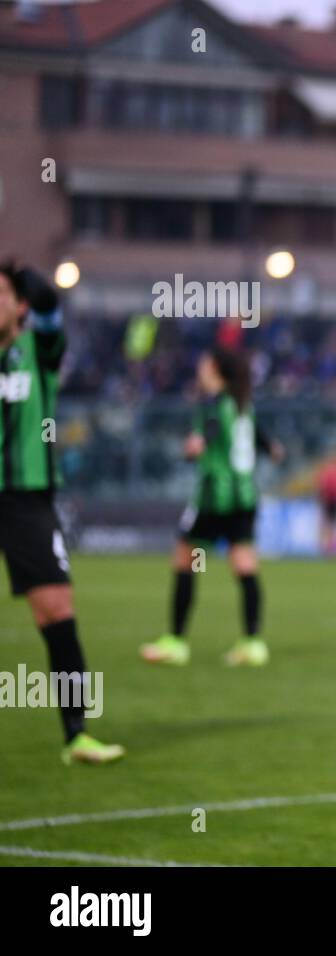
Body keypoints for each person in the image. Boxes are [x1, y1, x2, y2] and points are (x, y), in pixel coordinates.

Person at [0, 260, 124, 764]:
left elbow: (51, 307)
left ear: (19, 305)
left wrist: (24, 273)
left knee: (58, 614)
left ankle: (77, 734)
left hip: (26, 499)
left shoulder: (39, 350)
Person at [141, 348, 282, 667]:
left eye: (204, 363)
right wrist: (271, 448)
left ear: (216, 370)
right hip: (244, 496)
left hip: (214, 495)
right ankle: (253, 643)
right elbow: (256, 435)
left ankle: (176, 642)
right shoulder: (242, 402)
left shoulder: (216, 402)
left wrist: (200, 442)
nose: (199, 368)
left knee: (185, 558)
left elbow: (214, 427)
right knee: (244, 564)